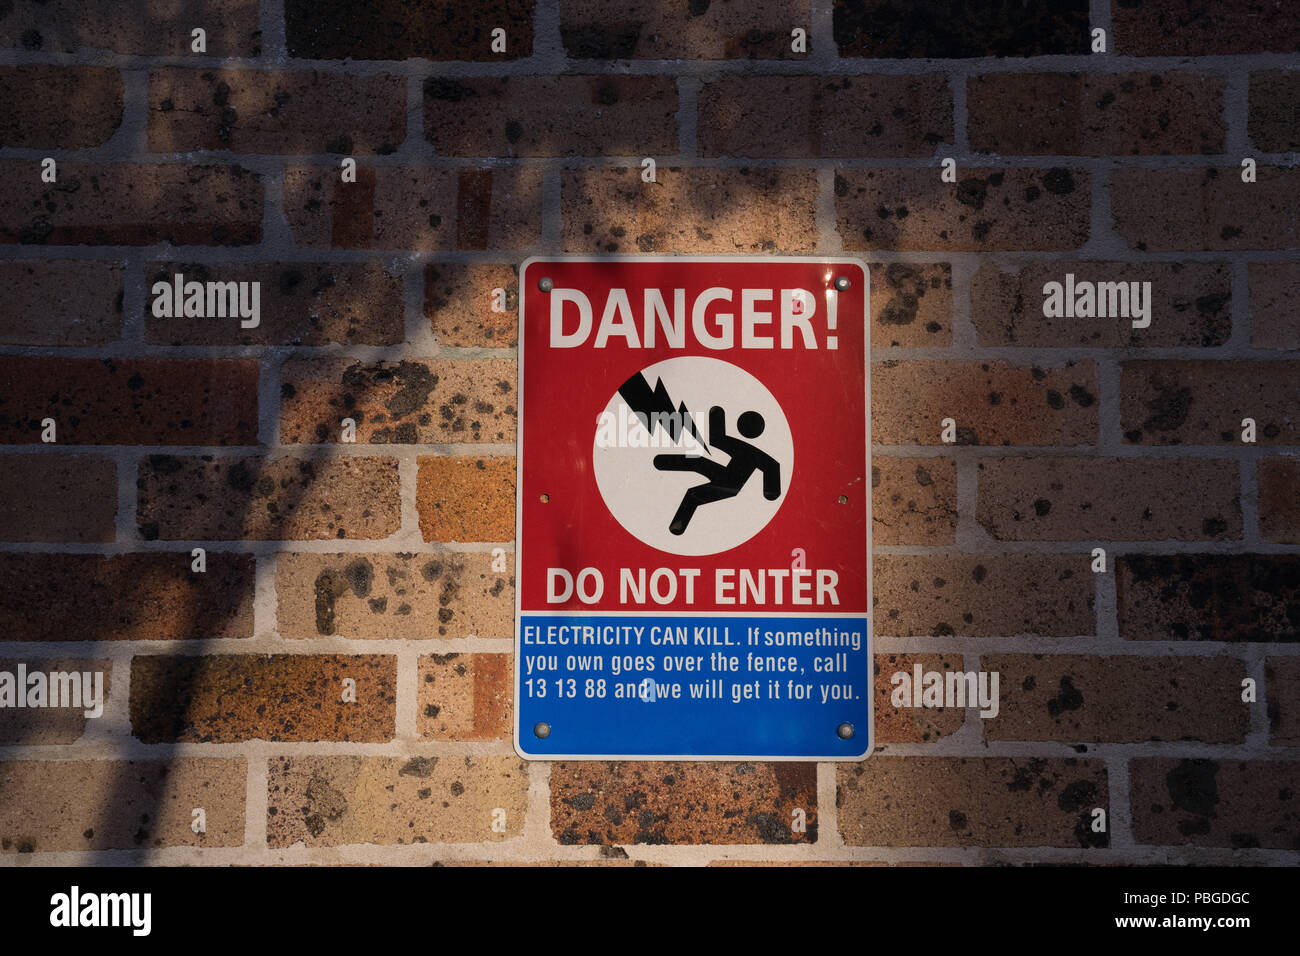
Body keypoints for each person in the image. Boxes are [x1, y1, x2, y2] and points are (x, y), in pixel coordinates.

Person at [653, 406, 781, 535]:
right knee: (697, 464)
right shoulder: (753, 453)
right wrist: (716, 415)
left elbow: (772, 467)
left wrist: (771, 491)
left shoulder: (756, 455)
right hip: (726, 478)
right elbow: (717, 439)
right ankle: (661, 461)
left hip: (728, 486)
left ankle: (678, 525)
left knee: (693, 494)